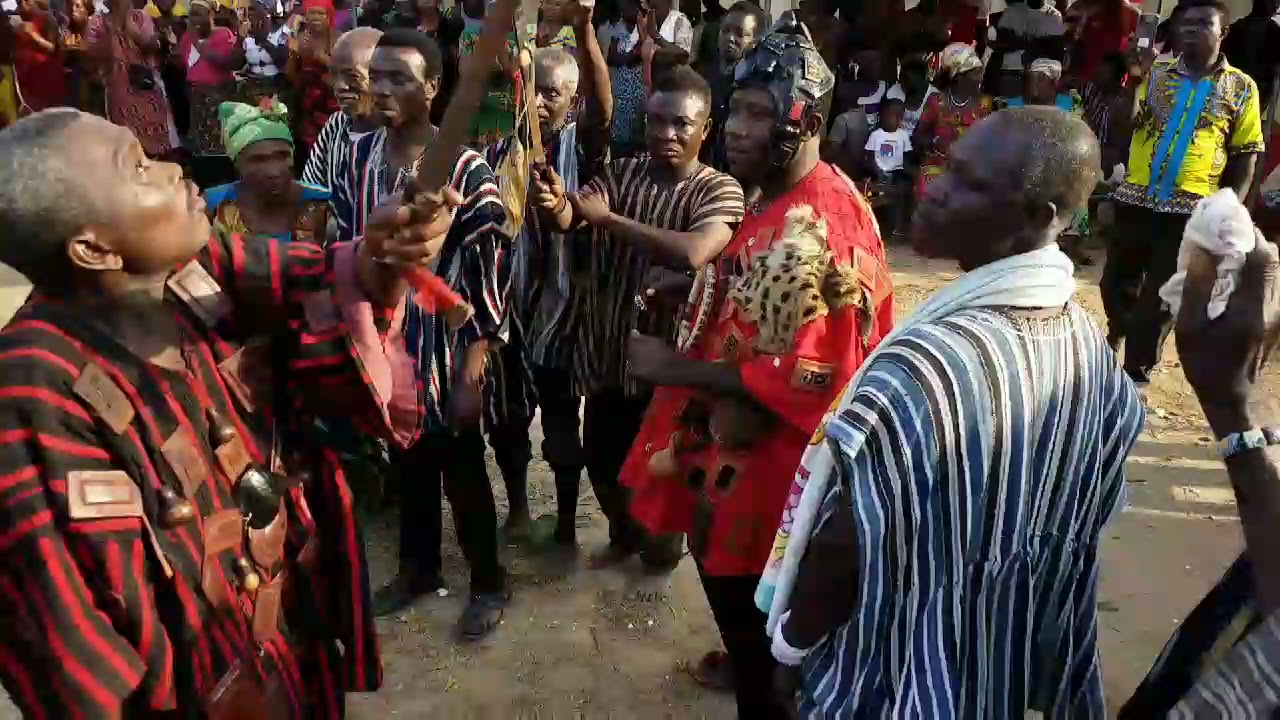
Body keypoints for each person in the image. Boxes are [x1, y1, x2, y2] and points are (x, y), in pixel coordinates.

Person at [0, 107, 451, 718]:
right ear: (93, 248)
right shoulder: (32, 393)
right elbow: (75, 657)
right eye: (139, 169)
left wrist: (389, 247)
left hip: (289, 647)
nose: (174, 170)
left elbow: (336, 278)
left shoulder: (196, 271)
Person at [759, 107, 1142, 718]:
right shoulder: (1088, 346)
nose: (935, 190)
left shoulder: (925, 364)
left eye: (968, 183)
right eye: (947, 168)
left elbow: (845, 545)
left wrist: (790, 647)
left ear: (1035, 218)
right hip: (1007, 655)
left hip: (905, 667)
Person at [618, 20, 892, 717]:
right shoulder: (780, 191)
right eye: (735, 109)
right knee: (743, 610)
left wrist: (675, 368)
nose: (736, 130)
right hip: (738, 451)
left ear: (809, 122)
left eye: (759, 114)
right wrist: (702, 287)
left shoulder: (819, 228)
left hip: (772, 470)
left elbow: (813, 378)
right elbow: (762, 289)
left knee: (758, 624)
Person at [535, 65, 745, 569]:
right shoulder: (622, 173)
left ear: (705, 129)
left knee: (666, 476)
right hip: (608, 351)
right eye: (656, 121)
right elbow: (573, 218)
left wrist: (609, 220)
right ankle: (624, 534)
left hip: (671, 370)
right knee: (602, 462)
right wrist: (555, 203)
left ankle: (658, 545)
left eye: (681, 124)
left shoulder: (720, 190)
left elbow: (694, 252)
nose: (666, 133)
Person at [354, 29, 514, 641]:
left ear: (432, 88)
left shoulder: (468, 170)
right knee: (408, 462)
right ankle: (418, 570)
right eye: (377, 76)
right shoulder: (359, 156)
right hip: (386, 343)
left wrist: (476, 358)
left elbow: (492, 268)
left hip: (446, 346)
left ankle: (489, 581)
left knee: (461, 465)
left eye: (399, 78)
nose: (383, 89)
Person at [483, 9, 612, 541]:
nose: (537, 102)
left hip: (560, 310)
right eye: (531, 90)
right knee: (506, 419)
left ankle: (563, 526)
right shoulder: (501, 148)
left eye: (551, 94)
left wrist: (584, 30)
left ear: (571, 102)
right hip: (508, 306)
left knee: (560, 420)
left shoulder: (580, 146)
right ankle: (516, 511)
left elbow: (603, 111)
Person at [1103, 0, 1264, 382]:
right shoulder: (1154, 74)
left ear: (1223, 33)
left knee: (1162, 295)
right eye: (1185, 23)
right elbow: (1123, 126)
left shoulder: (1242, 87)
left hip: (1191, 210)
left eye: (1202, 23)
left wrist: (1230, 209)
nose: (1190, 29)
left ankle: (1136, 371)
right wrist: (1133, 80)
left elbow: (1245, 155)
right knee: (1115, 283)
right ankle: (1119, 330)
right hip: (1135, 198)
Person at [205, 99, 331, 243]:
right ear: (238, 164)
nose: (273, 171)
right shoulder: (211, 204)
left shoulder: (322, 203)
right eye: (258, 160)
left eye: (283, 156)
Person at [303, 25, 380, 244]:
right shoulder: (336, 125)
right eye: (334, 75)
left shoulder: (401, 138)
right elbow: (312, 194)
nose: (339, 86)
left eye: (352, 76)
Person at [87, 0, 178, 158]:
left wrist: (130, 28)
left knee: (158, 148)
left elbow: (153, 46)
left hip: (147, 91)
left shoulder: (140, 17)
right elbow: (93, 57)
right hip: (119, 95)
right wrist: (111, 28)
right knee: (128, 150)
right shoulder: (96, 22)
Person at [913, 42, 993, 194]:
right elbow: (917, 138)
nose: (980, 78)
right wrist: (936, 143)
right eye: (975, 73)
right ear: (958, 78)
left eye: (980, 72)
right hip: (937, 168)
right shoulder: (937, 102)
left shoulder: (984, 104)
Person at [179, 0, 244, 186]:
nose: (194, 19)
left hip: (220, 98)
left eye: (199, 14)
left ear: (211, 15)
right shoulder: (187, 38)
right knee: (201, 146)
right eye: (192, 14)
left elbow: (229, 62)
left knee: (223, 143)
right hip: (198, 100)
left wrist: (203, 49)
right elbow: (182, 63)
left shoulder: (223, 34)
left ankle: (226, 184)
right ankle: (206, 185)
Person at [697, 0, 763, 171]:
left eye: (740, 34)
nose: (730, 38)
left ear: (755, 41)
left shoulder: (758, 88)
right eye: (725, 31)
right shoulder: (700, 76)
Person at [458, 0, 521, 145]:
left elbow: (517, 75)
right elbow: (465, 72)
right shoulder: (470, 36)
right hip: (480, 114)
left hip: (510, 117)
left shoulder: (523, 38)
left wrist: (502, 51)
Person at [286, 0, 339, 170]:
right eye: (311, 13)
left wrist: (321, 58)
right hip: (307, 111)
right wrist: (294, 54)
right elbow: (291, 76)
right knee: (309, 158)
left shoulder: (339, 39)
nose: (315, 17)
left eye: (320, 13)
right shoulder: (302, 39)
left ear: (329, 16)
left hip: (332, 108)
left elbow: (346, 74)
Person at [599, 0, 644, 156]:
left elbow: (642, 53)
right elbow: (612, 58)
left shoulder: (645, 28)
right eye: (624, 5)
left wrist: (627, 56)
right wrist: (631, 56)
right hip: (620, 94)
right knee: (619, 141)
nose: (626, 8)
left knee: (639, 139)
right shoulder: (617, 28)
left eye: (630, 5)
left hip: (640, 93)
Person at [992, 0, 1064, 96]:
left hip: (1042, 78)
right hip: (1012, 73)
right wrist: (1037, 42)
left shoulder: (1054, 15)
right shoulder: (1012, 10)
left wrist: (1018, 40)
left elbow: (1055, 50)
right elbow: (1002, 41)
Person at [1223, 0, 1280, 114]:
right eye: (1275, 3)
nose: (1276, 7)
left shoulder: (1237, 26)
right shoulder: (1273, 29)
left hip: (1233, 86)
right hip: (1258, 88)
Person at [1065, 0, 1138, 85]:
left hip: (1109, 82)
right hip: (1082, 79)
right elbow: (1068, 34)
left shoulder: (1125, 11)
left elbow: (1144, 36)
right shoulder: (1081, 6)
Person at [13, 0, 65, 112]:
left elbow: (54, 48)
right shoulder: (18, 25)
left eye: (22, 3)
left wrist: (34, 36)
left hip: (47, 85)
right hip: (29, 88)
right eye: (18, 4)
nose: (20, 8)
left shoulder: (47, 19)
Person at [242, 0, 291, 100]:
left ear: (267, 11)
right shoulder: (246, 32)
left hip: (275, 87)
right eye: (249, 9)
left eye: (253, 9)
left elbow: (282, 60)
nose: (249, 12)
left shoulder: (283, 32)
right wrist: (240, 39)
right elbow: (238, 63)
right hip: (252, 86)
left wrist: (263, 40)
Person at [1001, 57, 1079, 112]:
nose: (1034, 83)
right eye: (1032, 77)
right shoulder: (1010, 106)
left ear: (1055, 83)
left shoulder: (1070, 105)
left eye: (1041, 77)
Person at [889, 56, 938, 135]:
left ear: (921, 79)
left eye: (906, 77)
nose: (900, 81)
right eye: (901, 76)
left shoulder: (935, 98)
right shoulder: (894, 91)